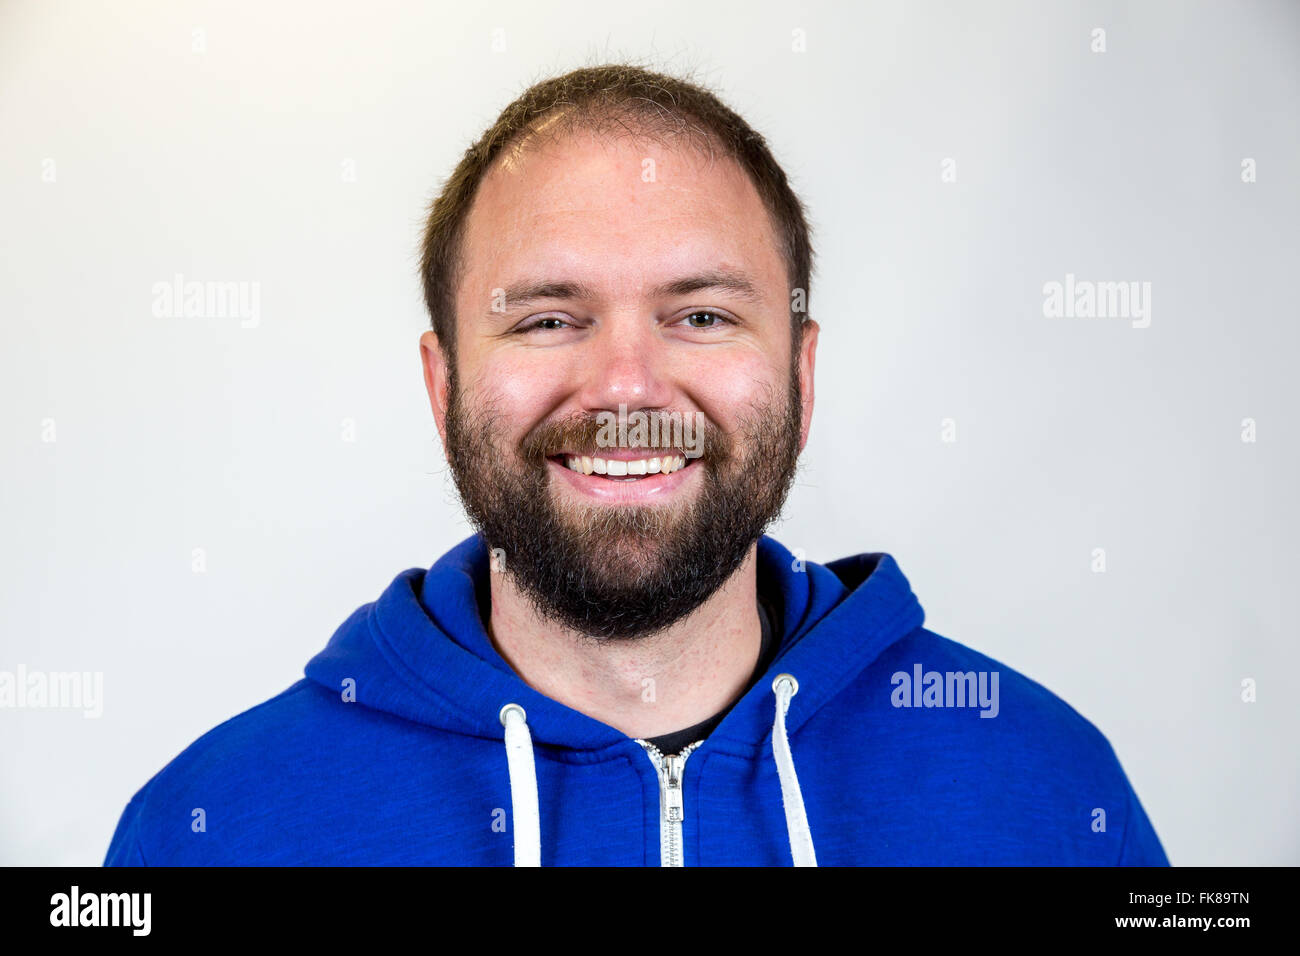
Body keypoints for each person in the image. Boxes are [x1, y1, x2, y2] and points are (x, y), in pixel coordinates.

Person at [105, 63, 1168, 866]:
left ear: (800, 371)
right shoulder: (211, 827)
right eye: (548, 318)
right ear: (442, 386)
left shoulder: (1045, 784)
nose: (625, 386)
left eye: (700, 314)